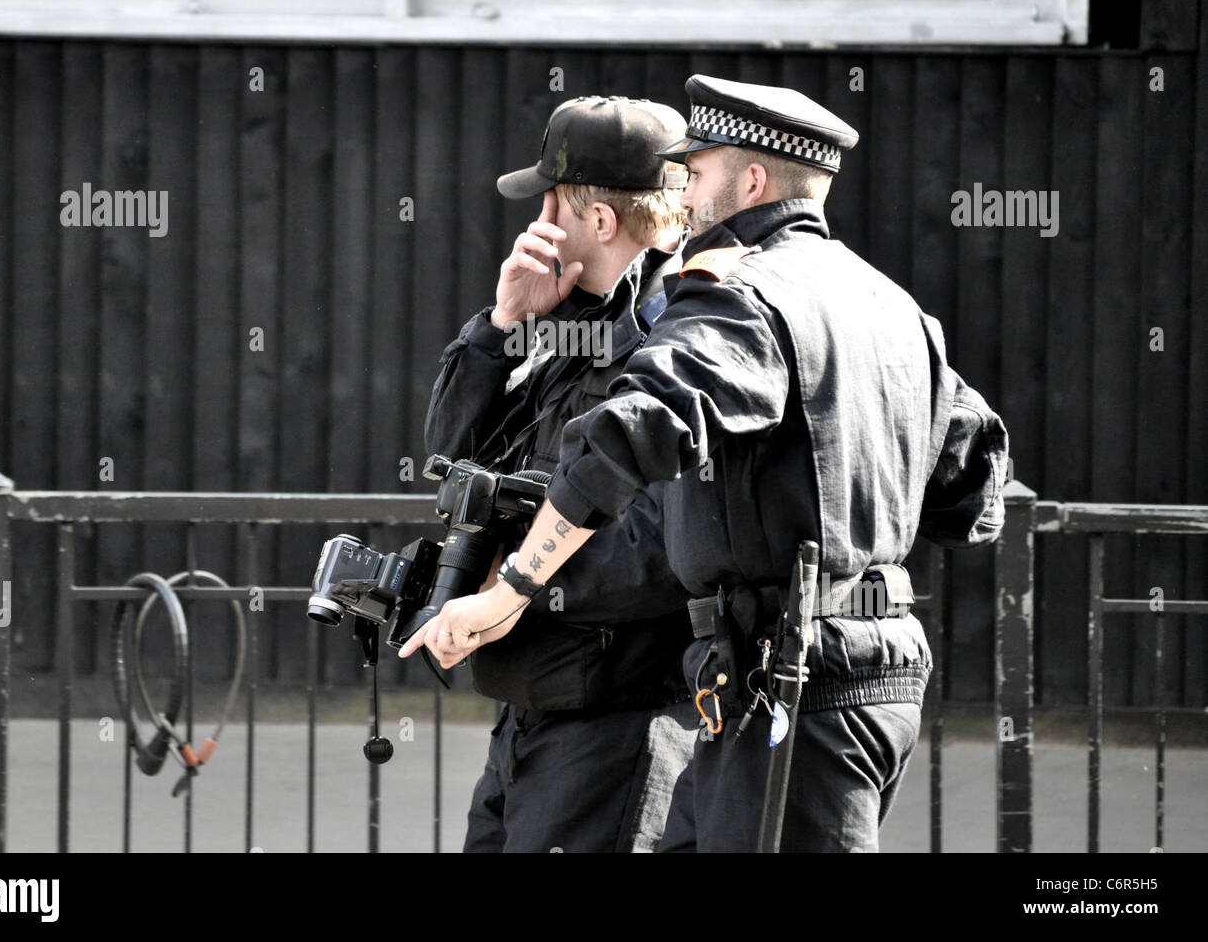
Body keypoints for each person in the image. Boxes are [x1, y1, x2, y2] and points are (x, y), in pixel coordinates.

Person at [402, 74, 1009, 853]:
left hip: (780, 674)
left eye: (700, 168)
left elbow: (631, 437)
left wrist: (515, 585)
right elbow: (974, 496)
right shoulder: (892, 305)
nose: (682, 190)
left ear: (752, 179)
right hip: (851, 669)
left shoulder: (740, 297)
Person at [423, 95, 698, 853]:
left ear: (600, 222)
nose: (538, 217)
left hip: (616, 727)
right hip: (533, 714)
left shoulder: (680, 337)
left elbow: (661, 545)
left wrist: (513, 587)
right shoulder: (572, 324)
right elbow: (449, 458)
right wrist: (502, 325)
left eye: (552, 199)